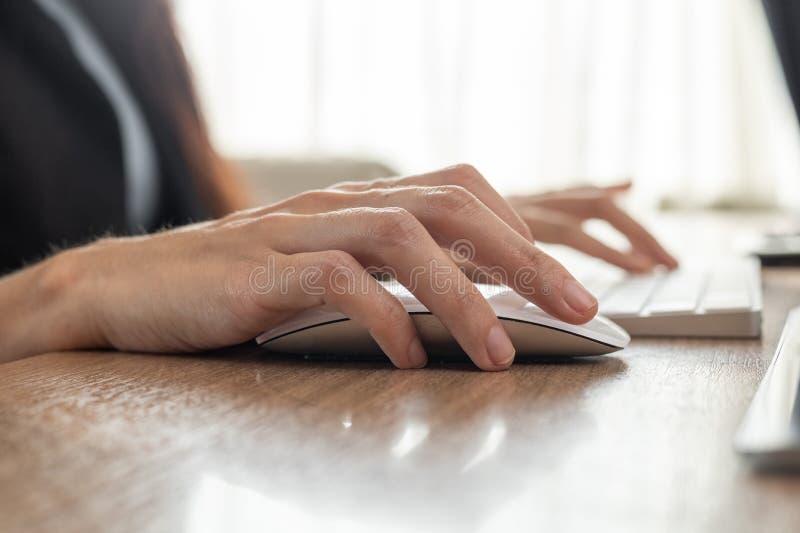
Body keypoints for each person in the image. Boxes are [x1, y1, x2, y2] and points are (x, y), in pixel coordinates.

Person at [0, 0, 677, 370]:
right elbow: (111, 268)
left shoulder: (110, 17)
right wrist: (69, 291)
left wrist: (394, 223)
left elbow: (174, 225)